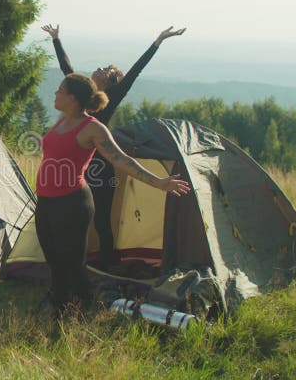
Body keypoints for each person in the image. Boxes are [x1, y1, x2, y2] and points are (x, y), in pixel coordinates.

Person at [36, 73, 190, 317]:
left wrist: (159, 182)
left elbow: (122, 159)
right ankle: (62, 302)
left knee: (72, 262)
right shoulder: (62, 120)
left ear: (73, 98)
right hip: (45, 202)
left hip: (71, 203)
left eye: (59, 90)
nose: (55, 94)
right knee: (53, 257)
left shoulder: (93, 128)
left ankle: (80, 308)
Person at [41, 24, 186, 268]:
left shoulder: (110, 99)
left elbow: (135, 72)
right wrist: (56, 40)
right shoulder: (80, 96)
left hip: (100, 166)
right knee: (74, 220)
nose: (98, 69)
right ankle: (77, 263)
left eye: (104, 70)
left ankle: (106, 264)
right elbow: (68, 71)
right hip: (75, 167)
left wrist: (158, 41)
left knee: (101, 221)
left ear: (109, 82)